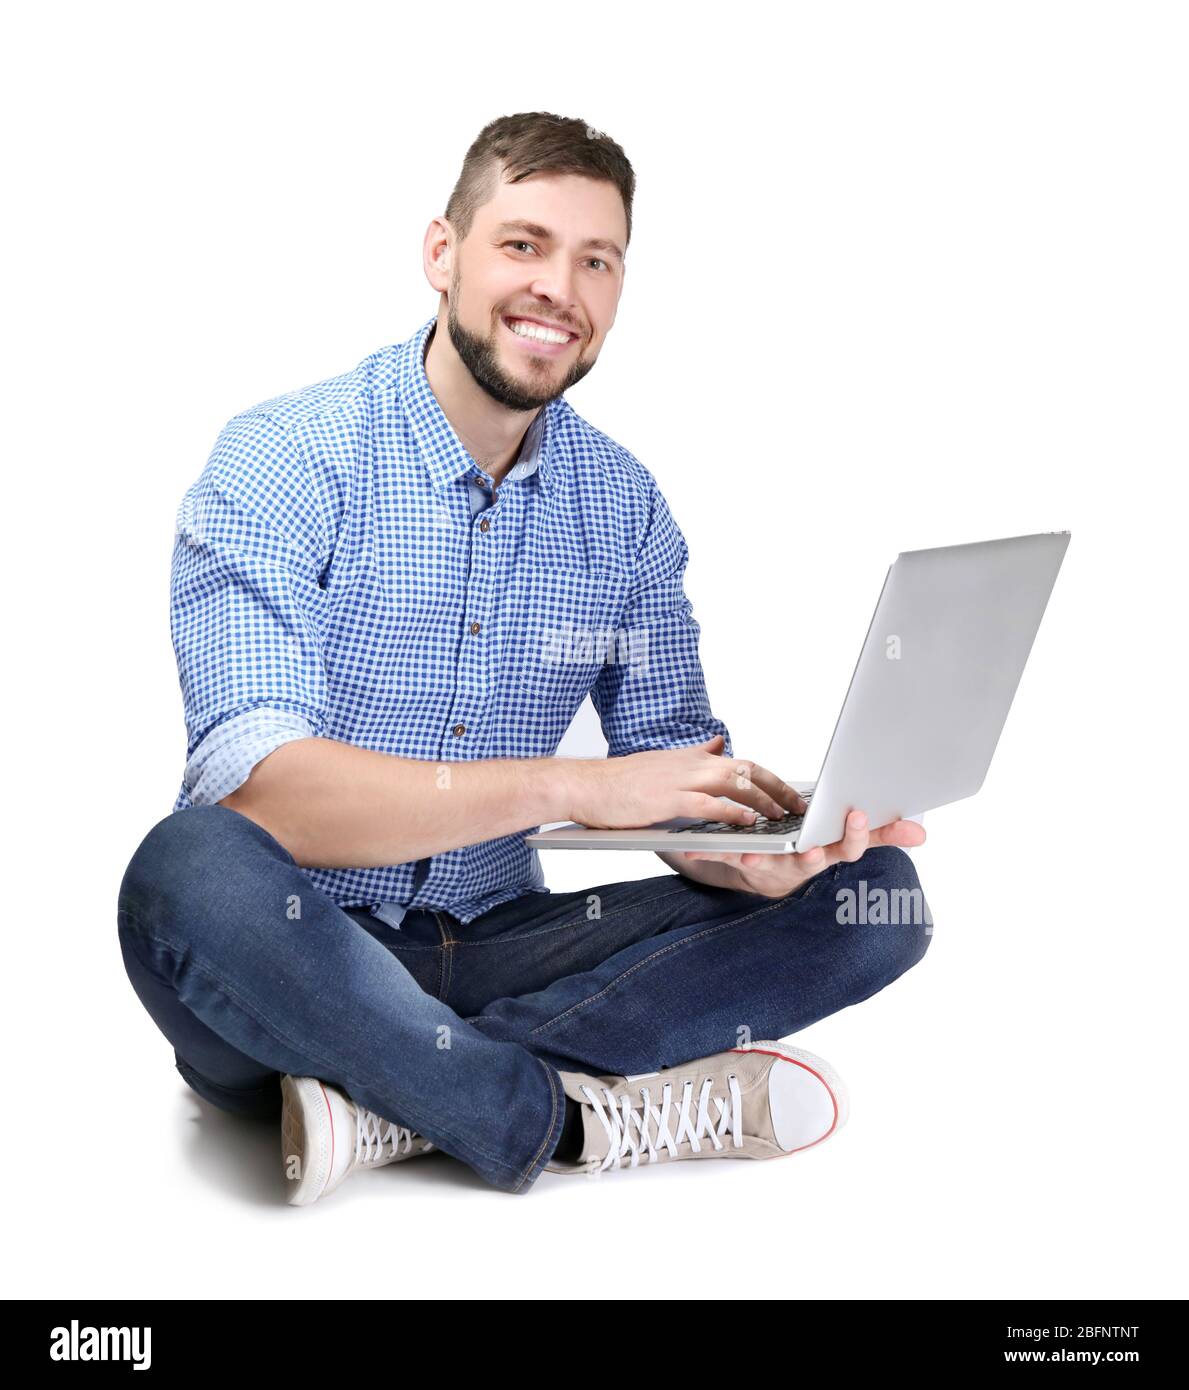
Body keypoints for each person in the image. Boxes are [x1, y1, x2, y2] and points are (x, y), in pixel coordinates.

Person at [117, 110, 932, 1202]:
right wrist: (571, 787)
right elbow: (269, 793)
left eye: (596, 260)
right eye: (523, 244)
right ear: (441, 256)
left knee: (875, 897)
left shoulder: (625, 507)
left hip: (501, 939)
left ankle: (398, 1100)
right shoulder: (282, 458)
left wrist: (752, 854)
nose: (561, 287)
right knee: (188, 868)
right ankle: (561, 1116)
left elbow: (665, 782)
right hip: (300, 947)